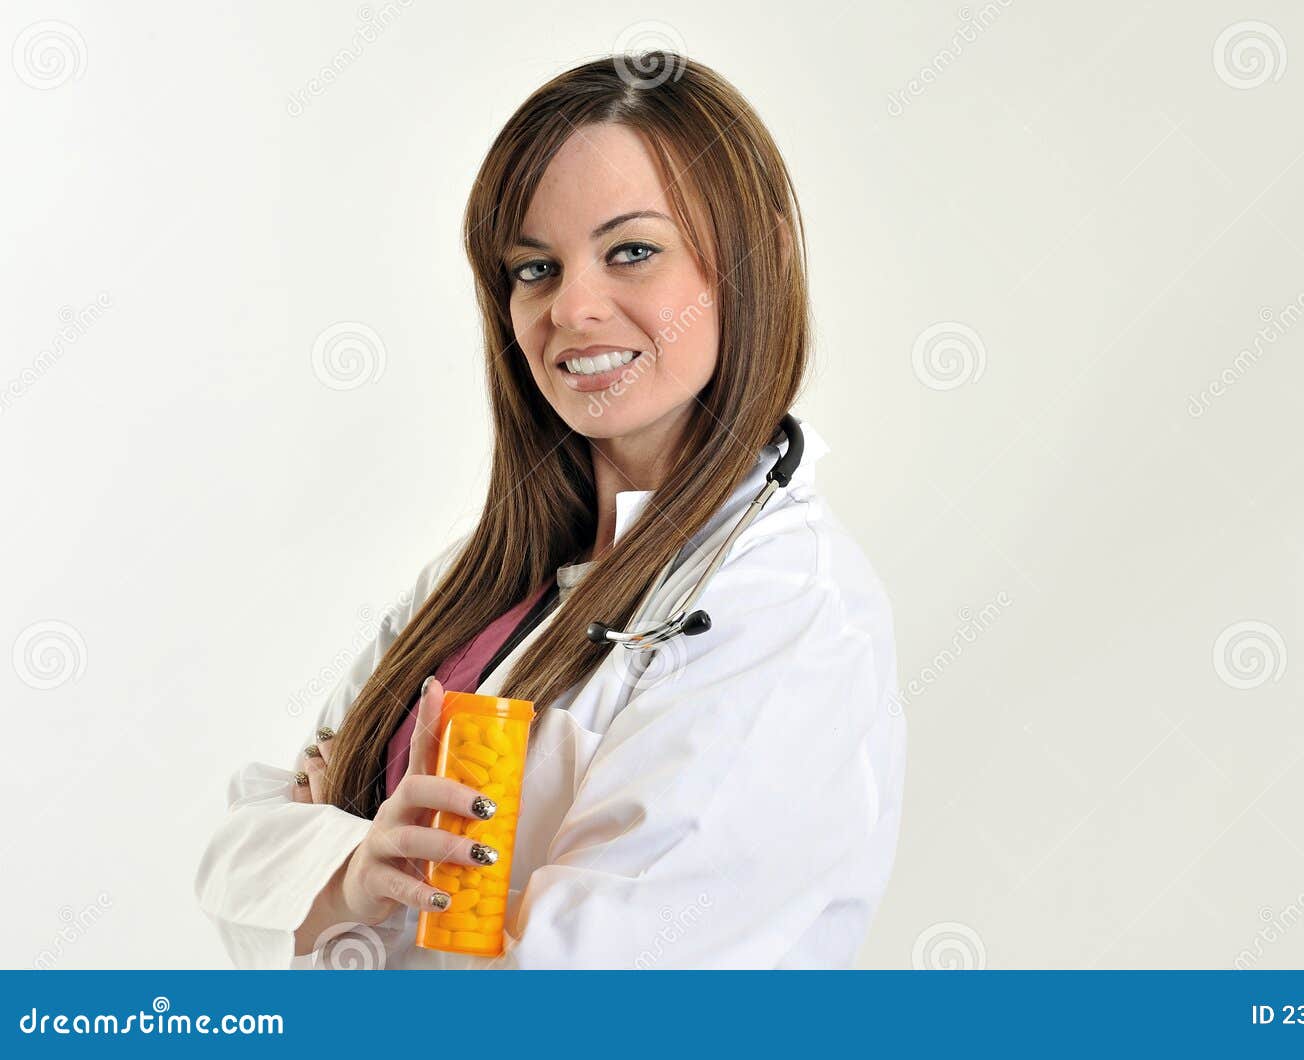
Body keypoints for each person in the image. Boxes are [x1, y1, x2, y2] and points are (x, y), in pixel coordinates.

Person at [192, 51, 905, 969]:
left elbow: (588, 984)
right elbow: (239, 861)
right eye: (536, 267)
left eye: (632, 252)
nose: (572, 308)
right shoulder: (477, 581)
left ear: (755, 256)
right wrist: (355, 872)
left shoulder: (786, 608)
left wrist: (343, 857)